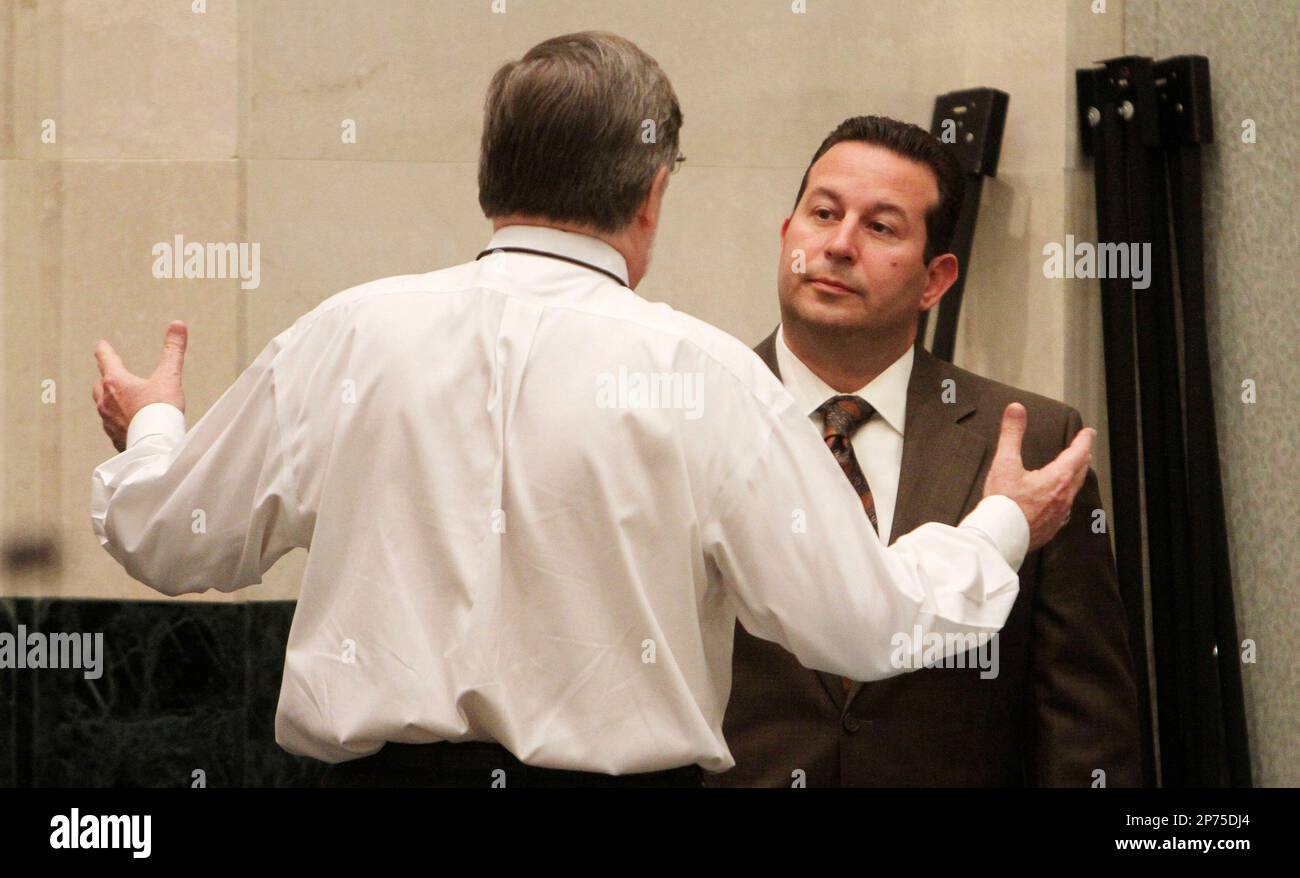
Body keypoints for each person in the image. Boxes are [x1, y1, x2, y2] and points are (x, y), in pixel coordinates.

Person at [89, 34, 1093, 788]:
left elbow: (168, 537)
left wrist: (155, 428)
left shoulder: (348, 335)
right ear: (652, 192)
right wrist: (1000, 525)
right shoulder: (702, 376)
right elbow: (864, 624)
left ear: (492, 170)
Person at [708, 116, 1142, 788]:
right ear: (786, 235)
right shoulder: (695, 416)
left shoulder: (1030, 440)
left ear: (935, 280)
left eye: (881, 227)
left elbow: (1083, 728)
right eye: (823, 213)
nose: (840, 244)